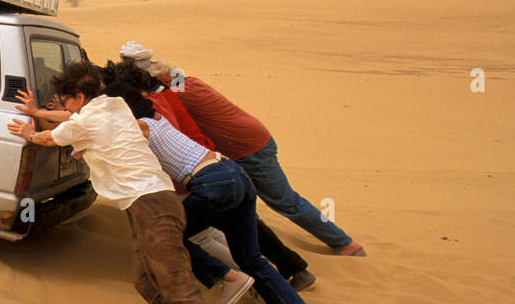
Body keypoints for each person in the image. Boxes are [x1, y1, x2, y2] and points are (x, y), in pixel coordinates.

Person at [7, 61, 272, 304]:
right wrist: (39, 110)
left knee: (178, 287)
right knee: (146, 283)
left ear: (78, 96)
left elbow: (51, 137)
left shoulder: (89, 118)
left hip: (150, 205)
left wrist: (29, 131)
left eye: (65, 100)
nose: (62, 107)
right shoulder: (114, 106)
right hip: (150, 203)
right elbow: (73, 120)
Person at [100, 81, 326, 304]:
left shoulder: (140, 125)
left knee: (168, 239)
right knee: (253, 259)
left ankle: (226, 276)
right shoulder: (158, 117)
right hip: (235, 176)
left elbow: (105, 136)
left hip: (211, 184)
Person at [132, 51, 365, 257]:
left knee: (285, 201)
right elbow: (175, 73)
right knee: (244, 203)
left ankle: (345, 243)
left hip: (248, 148)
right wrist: (153, 67)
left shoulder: (178, 95)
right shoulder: (189, 82)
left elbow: (161, 97)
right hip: (251, 139)